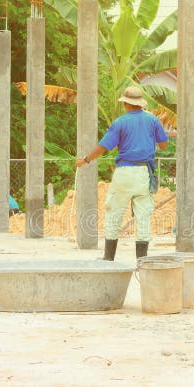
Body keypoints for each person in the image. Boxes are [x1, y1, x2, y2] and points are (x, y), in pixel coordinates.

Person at [76, 85, 168, 260]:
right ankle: (142, 260)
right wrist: (159, 126)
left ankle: (109, 258)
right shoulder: (153, 120)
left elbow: (103, 147)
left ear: (126, 104)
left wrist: (86, 159)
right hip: (143, 173)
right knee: (143, 216)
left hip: (124, 172)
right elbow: (163, 145)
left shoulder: (120, 122)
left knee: (114, 212)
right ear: (141, 104)